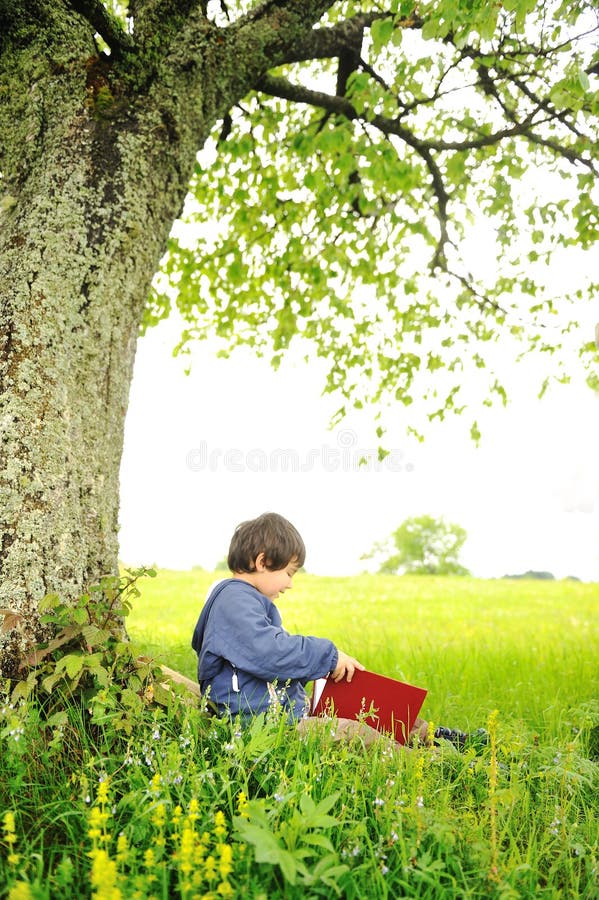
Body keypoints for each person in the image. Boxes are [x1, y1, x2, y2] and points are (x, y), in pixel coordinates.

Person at [191, 512, 477, 749]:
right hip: (267, 728)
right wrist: (327, 656)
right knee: (353, 732)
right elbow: (270, 652)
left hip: (286, 715)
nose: (290, 584)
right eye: (289, 573)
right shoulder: (233, 600)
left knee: (367, 704)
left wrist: (317, 672)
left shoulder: (246, 601)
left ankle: (434, 738)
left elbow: (267, 662)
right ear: (262, 561)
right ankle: (428, 763)